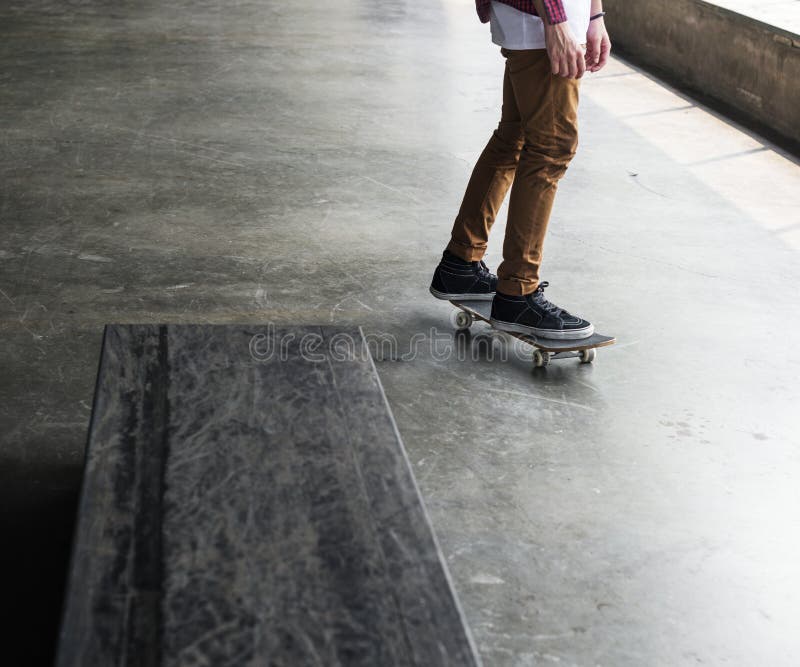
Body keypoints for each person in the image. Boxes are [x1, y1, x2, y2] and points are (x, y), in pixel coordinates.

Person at [430, 0, 611, 340]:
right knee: (552, 147)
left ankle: (461, 262)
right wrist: (555, 20)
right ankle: (518, 291)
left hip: (544, 17)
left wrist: (594, 14)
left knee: (515, 136)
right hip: (542, 18)